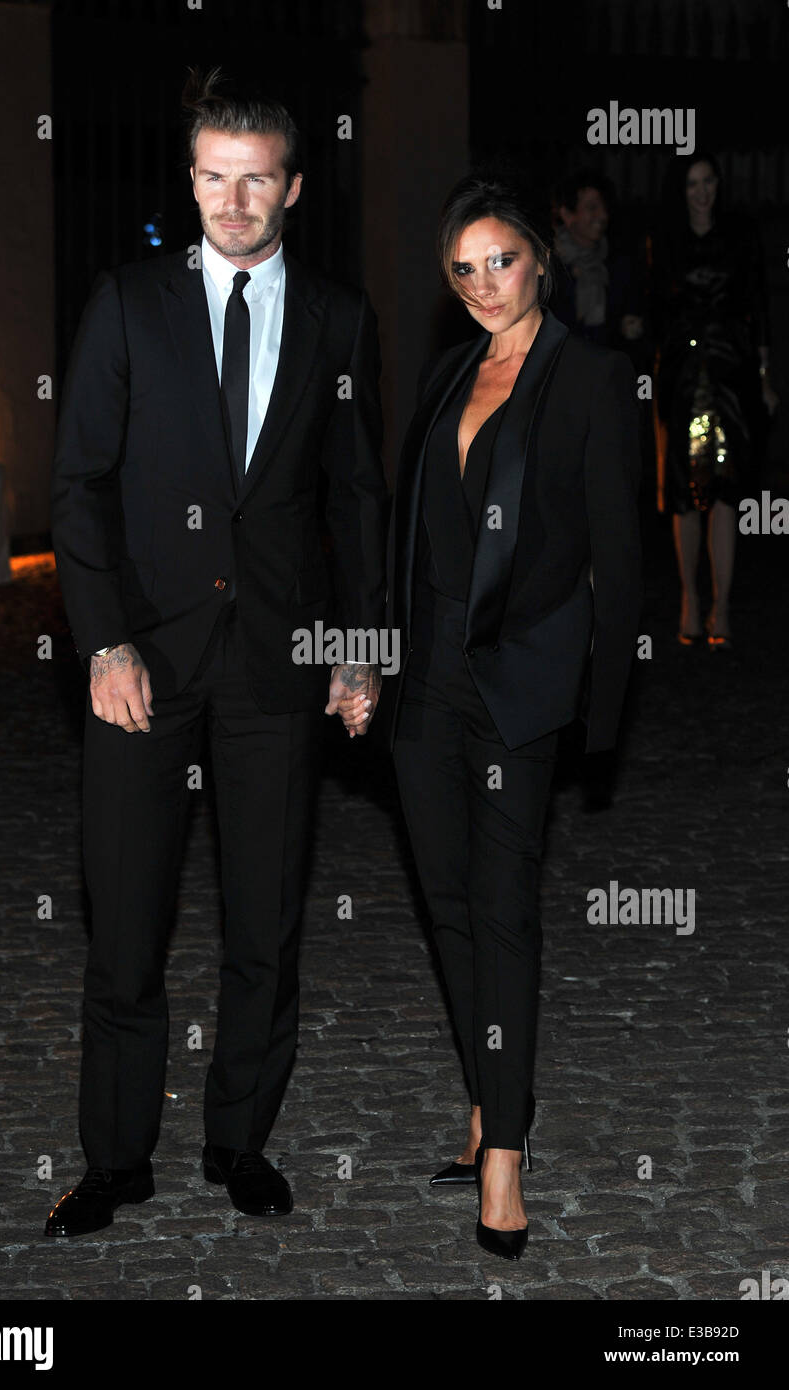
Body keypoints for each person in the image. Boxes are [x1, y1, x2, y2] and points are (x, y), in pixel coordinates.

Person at [46, 69, 387, 1236]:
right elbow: (79, 488)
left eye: (255, 180)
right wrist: (102, 645)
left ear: (290, 185)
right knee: (127, 921)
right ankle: (114, 1158)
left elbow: (356, 497)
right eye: (212, 177)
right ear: (189, 180)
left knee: (265, 923)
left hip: (279, 670)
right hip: (141, 665)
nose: (233, 200)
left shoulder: (340, 317)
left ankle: (240, 1138)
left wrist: (357, 646)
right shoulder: (129, 302)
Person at [383, 169, 642, 1260]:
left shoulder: (586, 379)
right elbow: (406, 541)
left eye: (501, 259)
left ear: (538, 258)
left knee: (503, 911)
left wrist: (604, 713)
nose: (485, 282)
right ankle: (486, 1100)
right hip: (426, 680)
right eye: (464, 267)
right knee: (443, 903)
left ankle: (504, 1156)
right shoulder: (446, 375)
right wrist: (370, 664)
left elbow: (622, 559)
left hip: (521, 684)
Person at [651, 152, 777, 648]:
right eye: (692, 183)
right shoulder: (665, 239)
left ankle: (721, 605)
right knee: (685, 490)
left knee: (725, 489)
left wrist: (765, 376)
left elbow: (759, 306)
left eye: (708, 181)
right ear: (680, 191)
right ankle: (691, 599)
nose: (702, 191)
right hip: (682, 376)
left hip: (731, 374)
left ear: (718, 185)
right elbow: (655, 308)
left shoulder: (741, 234)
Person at [550, 167, 646, 358]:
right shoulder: (547, 268)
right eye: (592, 208)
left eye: (604, 208)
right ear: (568, 215)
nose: (602, 216)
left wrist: (630, 328)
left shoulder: (619, 263)